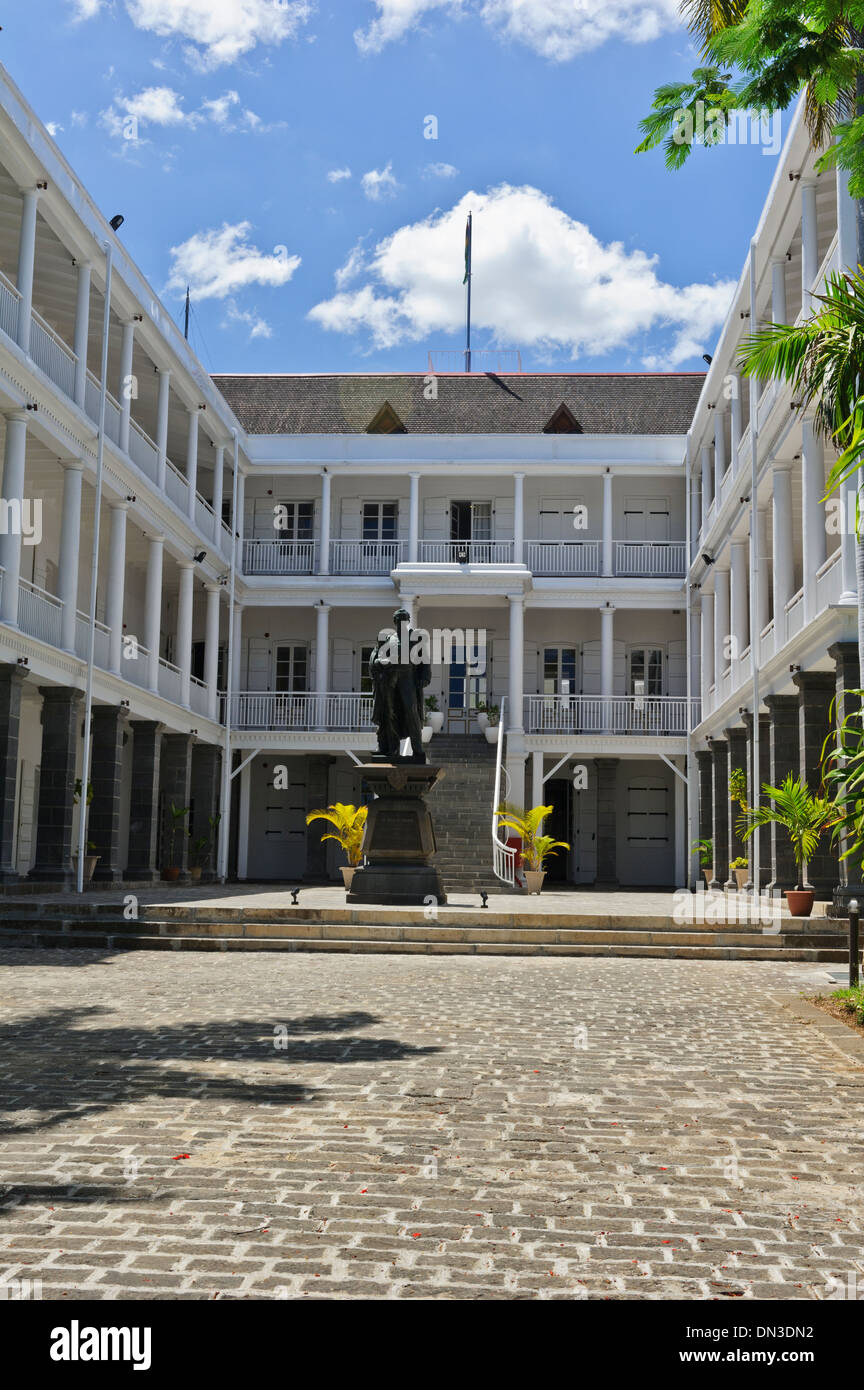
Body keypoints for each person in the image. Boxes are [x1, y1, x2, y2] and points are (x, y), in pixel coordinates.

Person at [369, 607, 430, 761]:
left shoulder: (415, 638)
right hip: (391, 678)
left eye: (404, 619)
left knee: (411, 711)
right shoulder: (389, 639)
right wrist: (381, 662)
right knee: (390, 712)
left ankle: (418, 750)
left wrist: (424, 676)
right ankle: (391, 748)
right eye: (398, 620)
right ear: (395, 622)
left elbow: (425, 660)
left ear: (408, 621)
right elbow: (376, 658)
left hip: (408, 677)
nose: (401, 622)